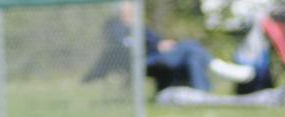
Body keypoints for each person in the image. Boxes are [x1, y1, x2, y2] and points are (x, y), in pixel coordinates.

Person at [82, 2, 252, 93]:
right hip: (146, 60)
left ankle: (202, 92)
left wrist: (162, 43)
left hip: (158, 55)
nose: (132, 13)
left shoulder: (139, 27)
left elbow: (156, 40)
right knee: (190, 47)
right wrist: (156, 46)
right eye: (128, 11)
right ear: (121, 12)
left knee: (191, 52)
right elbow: (124, 46)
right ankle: (216, 68)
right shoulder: (115, 27)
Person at [157, 54, 285, 109]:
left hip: (266, 99)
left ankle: (174, 95)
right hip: (265, 100)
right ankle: (174, 96)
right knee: (221, 102)